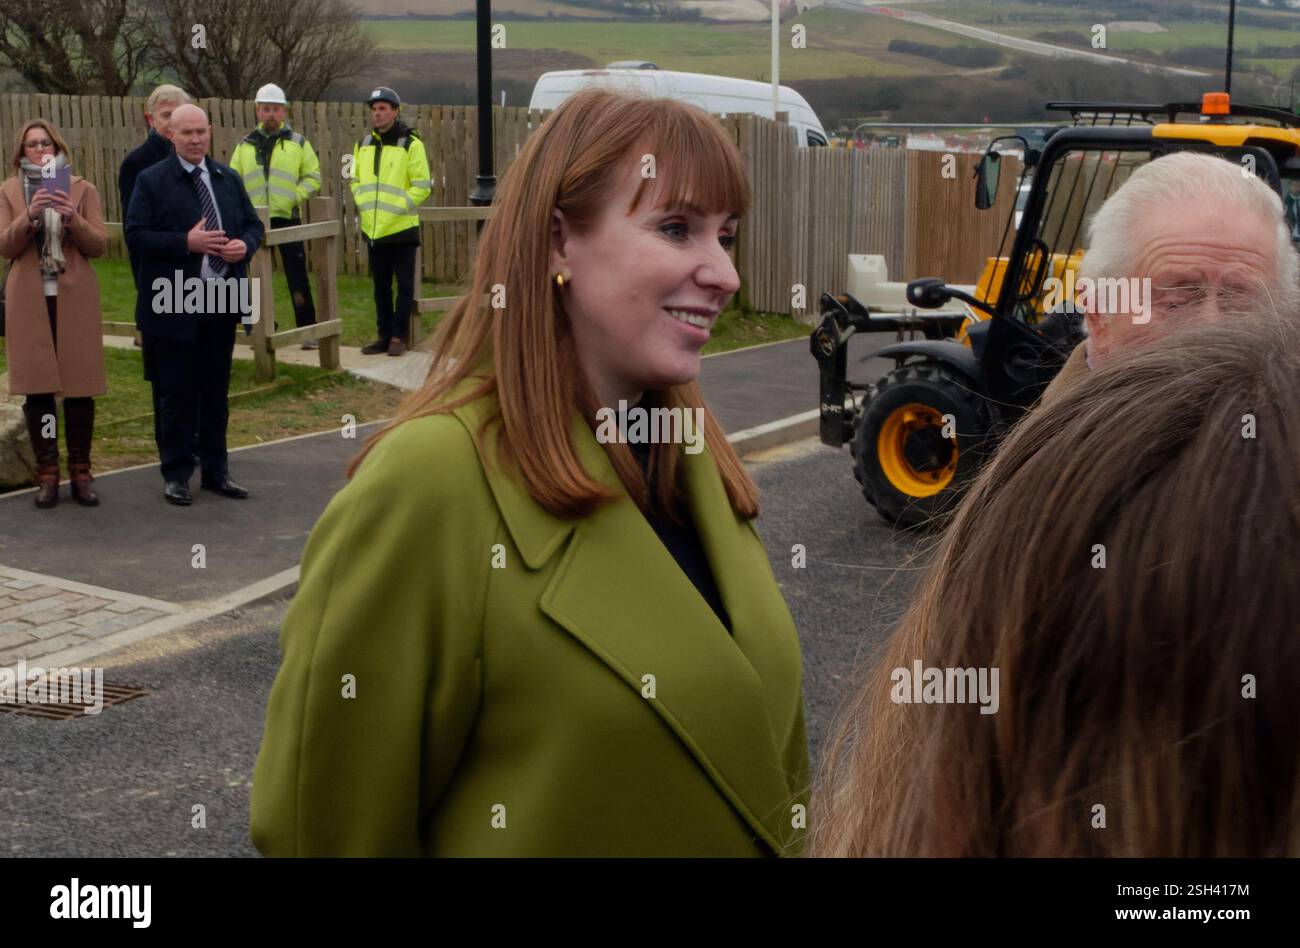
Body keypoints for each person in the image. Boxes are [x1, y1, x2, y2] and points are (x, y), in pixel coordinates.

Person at [251, 88, 810, 857]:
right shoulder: (427, 482)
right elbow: (324, 832)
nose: (723, 274)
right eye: (677, 228)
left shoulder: (695, 462)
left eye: (728, 236)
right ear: (556, 243)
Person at [810, 308, 1300, 857]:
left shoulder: (1073, 501)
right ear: (1097, 315)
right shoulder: (1061, 484)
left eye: (1232, 295)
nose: (1208, 316)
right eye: (1180, 290)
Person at [1039, 151, 1300, 405]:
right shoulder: (1051, 448)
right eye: (1176, 302)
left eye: (1242, 306)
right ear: (1098, 316)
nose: (1211, 326)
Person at [124, 103, 264, 507]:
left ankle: (217, 470)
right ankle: (177, 473)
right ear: (171, 134)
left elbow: (253, 224)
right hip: (173, 300)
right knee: (176, 391)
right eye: (187, 132)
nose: (196, 139)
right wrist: (186, 243)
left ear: (211, 132)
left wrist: (245, 246)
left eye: (201, 131)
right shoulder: (152, 181)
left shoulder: (226, 177)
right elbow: (136, 237)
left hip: (220, 298)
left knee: (215, 391)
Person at [0, 119, 109, 508]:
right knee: (39, 389)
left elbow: (99, 245)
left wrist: (72, 219)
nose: (40, 149)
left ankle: (82, 469)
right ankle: (48, 472)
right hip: (29, 297)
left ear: (57, 147)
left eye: (46, 143)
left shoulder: (82, 188)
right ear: (21, 152)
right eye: (31, 145)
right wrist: (29, 214)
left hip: (74, 295)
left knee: (79, 387)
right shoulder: (9, 191)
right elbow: (5, 247)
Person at [229, 83, 322, 349]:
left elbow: (313, 178)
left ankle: (308, 330)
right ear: (258, 111)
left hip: (286, 217)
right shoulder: (245, 145)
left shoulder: (298, 143)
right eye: (266, 108)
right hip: (253, 220)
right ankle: (257, 328)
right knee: (252, 277)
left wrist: (293, 197)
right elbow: (232, 180)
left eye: (276, 109)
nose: (271, 114)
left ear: (284, 112)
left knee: (297, 276)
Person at [350, 86, 431, 357]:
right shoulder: (363, 144)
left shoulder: (411, 144)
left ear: (395, 112)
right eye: (374, 109)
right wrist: (363, 204)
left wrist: (396, 209)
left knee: (404, 286)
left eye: (383, 108)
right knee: (380, 287)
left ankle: (399, 335)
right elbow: (355, 179)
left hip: (401, 228)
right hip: (374, 230)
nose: (377, 114)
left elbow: (422, 186)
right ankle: (383, 336)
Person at [119, 84, 191, 283]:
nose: (173, 122)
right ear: (150, 119)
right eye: (166, 115)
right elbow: (134, 230)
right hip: (159, 272)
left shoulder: (196, 158)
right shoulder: (137, 163)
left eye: (179, 114)